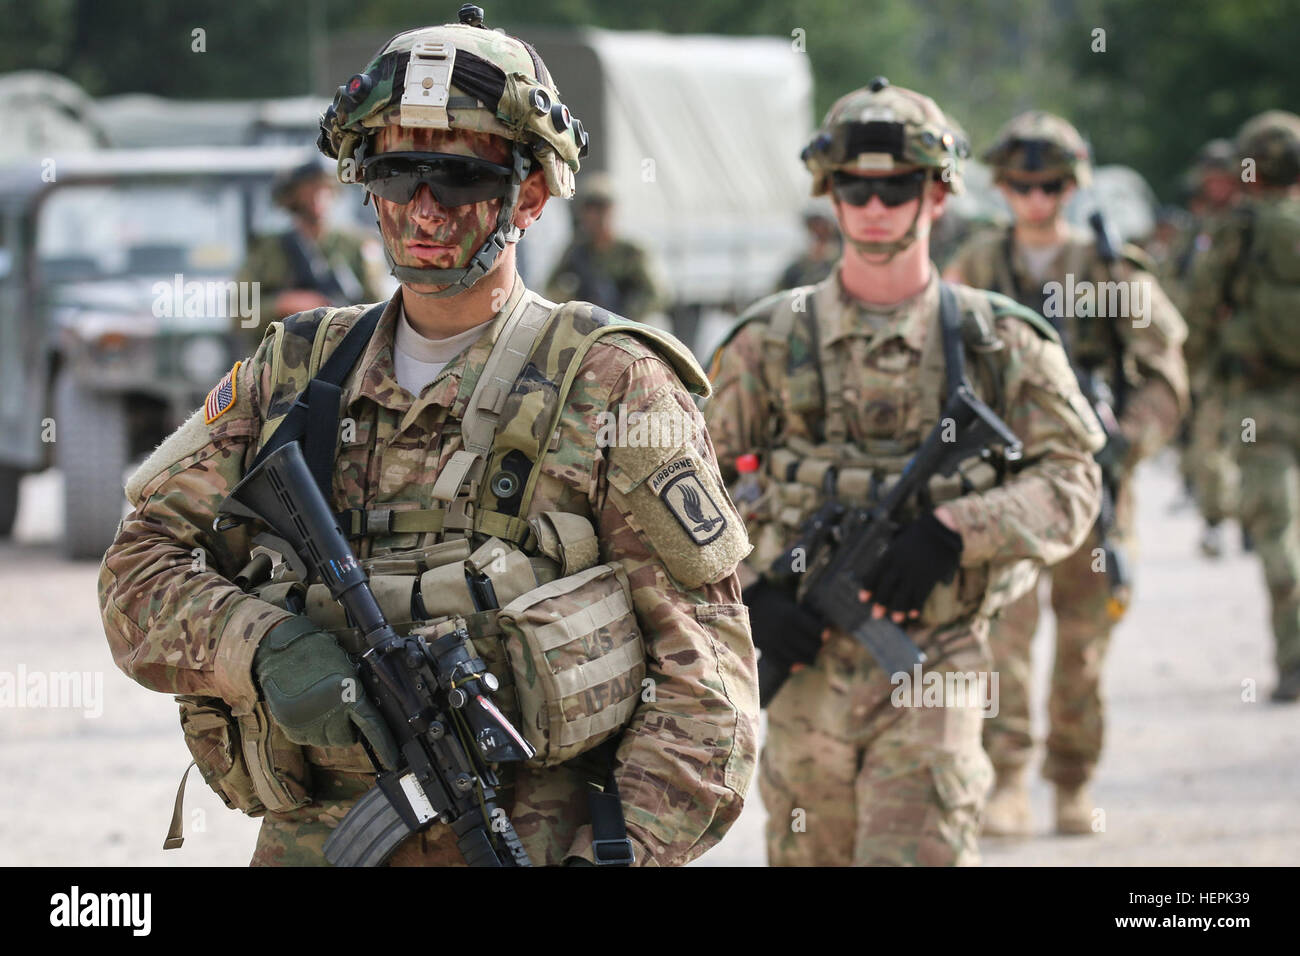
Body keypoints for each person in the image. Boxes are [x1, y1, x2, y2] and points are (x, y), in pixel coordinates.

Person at [99, 6, 758, 867]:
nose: (422, 208)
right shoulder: (294, 369)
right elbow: (137, 570)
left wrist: (620, 855)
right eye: (396, 172)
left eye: (457, 179)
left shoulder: (611, 383)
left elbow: (707, 682)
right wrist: (259, 646)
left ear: (529, 192)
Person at [705, 79, 1104, 866]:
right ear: (831, 194)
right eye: (856, 187)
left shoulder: (998, 342)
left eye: (898, 187)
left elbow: (1073, 482)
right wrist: (746, 594)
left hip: (937, 664)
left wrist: (958, 530)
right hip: (803, 670)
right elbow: (683, 497)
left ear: (939, 194)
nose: (876, 206)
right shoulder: (767, 340)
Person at [943, 111, 1189, 836]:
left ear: (1072, 187)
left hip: (1094, 489)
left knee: (1083, 647)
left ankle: (1073, 780)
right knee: (1005, 643)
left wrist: (1127, 443)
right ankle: (1008, 781)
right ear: (1003, 188)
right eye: (1022, 185)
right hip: (1005, 487)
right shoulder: (978, 267)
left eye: (1050, 185)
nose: (1036, 199)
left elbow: (1165, 372)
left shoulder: (1111, 268)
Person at [1186, 110, 1300, 702]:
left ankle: (1295, 658)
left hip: (1260, 401)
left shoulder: (1241, 228)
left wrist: (1191, 371)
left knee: (1277, 532)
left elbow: (1203, 304)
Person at [1167, 139, 1243, 558]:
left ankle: (1252, 516)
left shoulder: (1255, 223)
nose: (1215, 187)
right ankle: (1218, 519)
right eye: (1209, 180)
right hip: (1214, 356)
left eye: (1222, 178)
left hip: (1262, 356)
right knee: (1211, 441)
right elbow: (1184, 286)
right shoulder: (1199, 231)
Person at [235, 156, 385, 349]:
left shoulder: (356, 245)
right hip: (282, 358)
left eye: (325, 188)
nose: (318, 197)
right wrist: (284, 304)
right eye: (309, 189)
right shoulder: (268, 250)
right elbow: (240, 314)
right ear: (292, 197)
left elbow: (381, 310)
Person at [544, 172, 668, 323]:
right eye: (591, 209)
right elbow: (550, 287)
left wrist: (627, 312)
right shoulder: (576, 251)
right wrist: (575, 303)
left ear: (613, 211)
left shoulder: (632, 252)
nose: (596, 216)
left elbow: (658, 294)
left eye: (602, 209)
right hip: (589, 324)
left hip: (625, 324)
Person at [775, 202, 841, 290]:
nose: (818, 229)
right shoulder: (805, 256)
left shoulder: (845, 247)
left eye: (819, 223)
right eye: (812, 225)